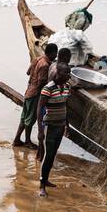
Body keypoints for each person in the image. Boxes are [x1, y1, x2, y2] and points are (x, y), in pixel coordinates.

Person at [36, 63, 71, 197]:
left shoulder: (67, 87)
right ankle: (42, 185)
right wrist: (40, 131)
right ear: (57, 74)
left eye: (69, 73)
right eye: (65, 73)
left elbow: (65, 106)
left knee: (53, 154)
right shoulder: (48, 88)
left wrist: (67, 125)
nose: (68, 76)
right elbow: (39, 110)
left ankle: (46, 179)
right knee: (48, 155)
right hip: (50, 126)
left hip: (60, 126)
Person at [13, 42, 57, 148]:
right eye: (55, 53)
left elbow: (28, 72)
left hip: (28, 91)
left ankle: (17, 139)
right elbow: (41, 82)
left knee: (24, 118)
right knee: (30, 119)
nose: (56, 56)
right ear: (52, 53)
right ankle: (27, 141)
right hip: (35, 95)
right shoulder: (45, 65)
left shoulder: (38, 59)